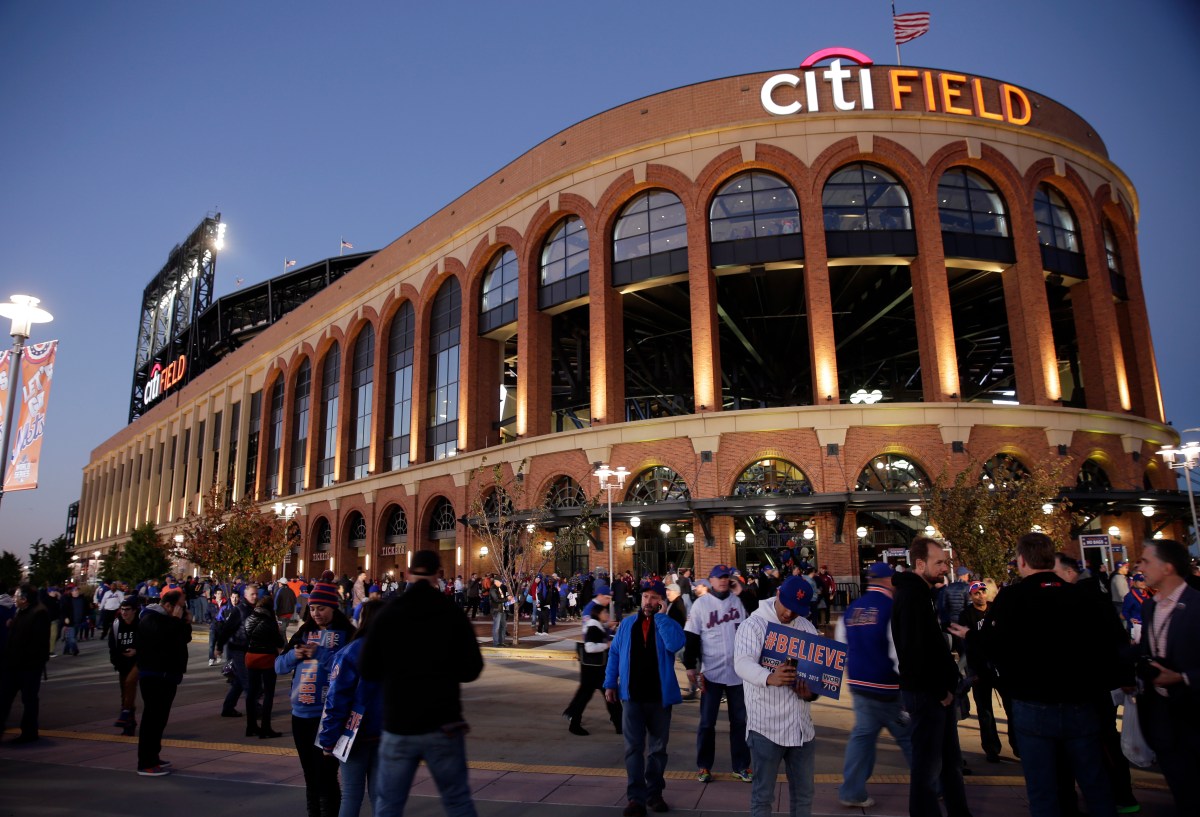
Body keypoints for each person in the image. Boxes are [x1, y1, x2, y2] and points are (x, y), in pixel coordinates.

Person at [954, 533, 1115, 817]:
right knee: (1095, 784)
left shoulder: (1012, 597)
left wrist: (972, 637)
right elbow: (1107, 643)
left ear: (1022, 560)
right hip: (1081, 701)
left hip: (1033, 702)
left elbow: (994, 643)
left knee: (1043, 790)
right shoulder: (1079, 595)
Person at [362, 549, 484, 817]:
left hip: (398, 724)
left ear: (407, 574)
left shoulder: (388, 613)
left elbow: (368, 669)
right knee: (457, 801)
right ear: (438, 575)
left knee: (388, 805)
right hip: (443, 722)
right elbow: (472, 669)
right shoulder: (452, 613)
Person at [1053, 552, 1138, 813]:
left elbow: (1116, 640)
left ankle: (1121, 796)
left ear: (1070, 572)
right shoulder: (1075, 597)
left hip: (1094, 685)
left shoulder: (1089, 599)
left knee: (1102, 741)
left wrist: (1123, 676)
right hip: (1083, 685)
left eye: (1053, 571)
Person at [892, 536, 971, 817]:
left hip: (936, 693)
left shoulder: (924, 594)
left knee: (949, 763)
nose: (944, 567)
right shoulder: (913, 597)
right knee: (927, 768)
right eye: (939, 563)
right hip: (927, 695)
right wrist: (941, 691)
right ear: (920, 563)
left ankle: (959, 811)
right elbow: (914, 653)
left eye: (946, 562)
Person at [733, 575, 822, 817]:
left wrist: (810, 694)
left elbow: (816, 677)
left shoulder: (806, 627)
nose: (790, 614)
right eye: (788, 607)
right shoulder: (754, 625)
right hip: (766, 728)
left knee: (804, 795)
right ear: (779, 595)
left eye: (797, 610)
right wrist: (769, 677)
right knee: (763, 796)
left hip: (802, 728)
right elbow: (741, 663)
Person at [1129, 538, 1200, 816]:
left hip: (1194, 714)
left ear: (1167, 567)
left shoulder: (1196, 606)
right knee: (1182, 793)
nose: (1140, 566)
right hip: (1161, 720)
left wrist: (1182, 677)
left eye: (1146, 561)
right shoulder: (1150, 607)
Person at [604, 580, 686, 817]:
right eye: (645, 597)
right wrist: (610, 682)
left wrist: (660, 618)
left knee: (658, 750)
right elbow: (615, 654)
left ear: (661, 600)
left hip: (660, 698)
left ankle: (655, 794)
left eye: (654, 597)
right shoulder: (628, 624)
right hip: (632, 697)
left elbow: (676, 644)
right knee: (633, 749)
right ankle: (636, 798)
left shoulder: (668, 623)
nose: (648, 602)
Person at [836, 562, 913, 808]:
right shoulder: (891, 608)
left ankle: (852, 791)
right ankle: (934, 784)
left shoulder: (851, 610)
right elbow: (898, 651)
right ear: (889, 580)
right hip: (889, 689)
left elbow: (842, 647)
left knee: (862, 738)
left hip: (860, 685)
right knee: (911, 738)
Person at [276, 579, 355, 817]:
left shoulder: (347, 634)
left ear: (333, 607)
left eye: (321, 608)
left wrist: (319, 653)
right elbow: (278, 666)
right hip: (300, 714)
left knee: (326, 776)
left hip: (329, 716)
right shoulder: (302, 633)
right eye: (312, 608)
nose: (316, 613)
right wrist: (294, 656)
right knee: (310, 776)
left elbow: (349, 671)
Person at [683, 564, 751, 784]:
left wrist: (743, 592)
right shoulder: (701, 605)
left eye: (726, 577)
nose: (723, 580)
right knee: (706, 723)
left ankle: (741, 766)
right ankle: (704, 766)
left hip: (738, 672)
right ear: (709, 581)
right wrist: (690, 665)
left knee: (740, 721)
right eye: (718, 577)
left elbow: (758, 615)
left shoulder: (738, 601)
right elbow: (692, 637)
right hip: (711, 671)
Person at [319, 599, 385, 817]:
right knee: (380, 796)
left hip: (354, 734)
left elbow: (336, 700)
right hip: (386, 736)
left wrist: (328, 740)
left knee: (351, 794)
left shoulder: (350, 652)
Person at [135, 587, 192, 776]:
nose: (182, 609)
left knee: (160, 719)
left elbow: (183, 638)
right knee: (152, 719)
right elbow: (164, 639)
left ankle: (153, 756)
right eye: (180, 606)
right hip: (155, 675)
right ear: (168, 605)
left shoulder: (169, 620)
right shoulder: (150, 618)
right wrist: (176, 620)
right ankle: (146, 762)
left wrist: (185, 622)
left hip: (168, 676)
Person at [0, 584, 51, 743]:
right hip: (14, 664)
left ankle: (29, 732)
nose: (14, 599)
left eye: (16, 596)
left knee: (28, 699)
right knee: (5, 697)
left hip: (28, 666)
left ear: (24, 598)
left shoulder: (39, 613)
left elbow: (37, 642)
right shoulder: (22, 611)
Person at [563, 602, 622, 735]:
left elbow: (598, 633)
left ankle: (620, 724)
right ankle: (574, 723)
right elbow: (590, 647)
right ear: (599, 614)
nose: (607, 614)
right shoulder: (593, 627)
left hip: (594, 670)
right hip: (594, 671)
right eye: (605, 612)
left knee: (607, 696)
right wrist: (607, 645)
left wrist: (608, 626)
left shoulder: (596, 625)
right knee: (607, 696)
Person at [243, 592, 286, 739]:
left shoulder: (249, 618)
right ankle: (265, 727)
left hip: (251, 657)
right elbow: (279, 642)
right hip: (266, 657)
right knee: (268, 693)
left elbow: (246, 636)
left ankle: (251, 726)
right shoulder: (270, 621)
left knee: (252, 693)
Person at [215, 583, 258, 717]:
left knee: (240, 681)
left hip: (248, 649)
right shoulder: (239, 610)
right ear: (245, 595)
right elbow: (227, 629)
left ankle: (228, 707)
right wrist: (219, 646)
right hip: (238, 649)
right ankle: (255, 708)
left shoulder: (254, 609)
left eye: (256, 594)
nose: (255, 596)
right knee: (247, 680)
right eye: (252, 594)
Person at [109, 596, 140, 736]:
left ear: (134, 611)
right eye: (122, 609)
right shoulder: (116, 625)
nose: (124, 613)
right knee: (126, 693)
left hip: (138, 661)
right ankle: (129, 723)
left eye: (127, 610)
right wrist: (116, 661)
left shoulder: (140, 624)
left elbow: (148, 642)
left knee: (130, 682)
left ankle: (126, 713)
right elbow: (112, 645)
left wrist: (137, 650)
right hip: (122, 663)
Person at [1121, 573, 1150, 641]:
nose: (1143, 583)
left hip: (1147, 626)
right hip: (1136, 627)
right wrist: (1130, 619)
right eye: (1140, 581)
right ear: (1134, 582)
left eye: (1144, 581)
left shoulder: (1147, 595)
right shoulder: (1130, 596)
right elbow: (1125, 611)